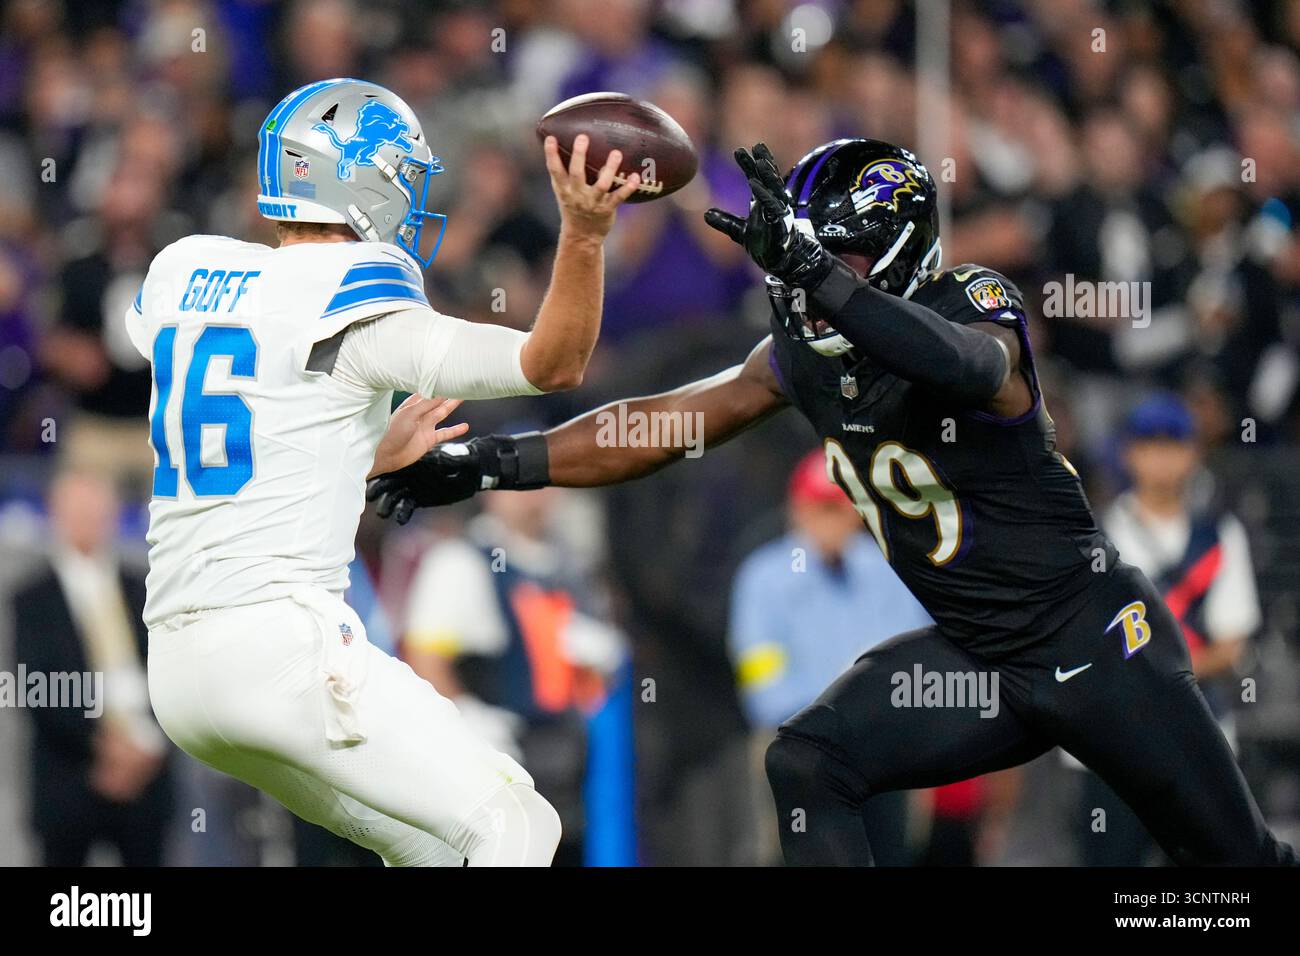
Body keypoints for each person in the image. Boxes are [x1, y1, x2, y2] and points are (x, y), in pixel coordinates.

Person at [369, 137, 1296, 866]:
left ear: (887, 255)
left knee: (1232, 869)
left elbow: (966, 367)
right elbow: (665, 424)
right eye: (803, 258)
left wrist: (823, 279)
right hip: (977, 661)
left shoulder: (972, 302)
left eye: (836, 257)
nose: (806, 280)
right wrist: (496, 460)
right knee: (808, 761)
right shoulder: (801, 352)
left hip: (1093, 644)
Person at [133, 78, 639, 867]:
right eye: (404, 176)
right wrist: (584, 234)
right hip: (281, 648)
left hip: (180, 671)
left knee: (436, 852)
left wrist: (355, 457)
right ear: (366, 180)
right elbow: (554, 359)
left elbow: (241, 438)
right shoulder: (357, 297)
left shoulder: (186, 272)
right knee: (516, 824)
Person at [1068, 393, 1263, 865]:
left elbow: (1232, 646)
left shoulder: (1219, 534)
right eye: (1148, 444)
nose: (1160, 458)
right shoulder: (1094, 535)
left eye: (1172, 444)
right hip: (1112, 745)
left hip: (1202, 737)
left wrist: (1145, 672)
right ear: (1128, 452)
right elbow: (1081, 645)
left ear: (1192, 453)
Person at [728, 449, 932, 865]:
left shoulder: (884, 573)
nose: (832, 522)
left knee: (893, 853)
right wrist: (842, 699)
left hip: (881, 749)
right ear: (798, 508)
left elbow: (916, 661)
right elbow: (763, 688)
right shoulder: (764, 579)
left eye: (840, 509)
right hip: (800, 745)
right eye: (822, 509)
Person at [12, 469, 172, 866]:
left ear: (112, 515)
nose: (85, 520)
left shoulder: (146, 590)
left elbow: (170, 671)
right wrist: (106, 746)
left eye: (94, 510)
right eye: (75, 510)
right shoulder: (31, 599)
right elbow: (37, 687)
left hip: (148, 778)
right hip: (69, 779)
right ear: (54, 515)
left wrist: (146, 746)